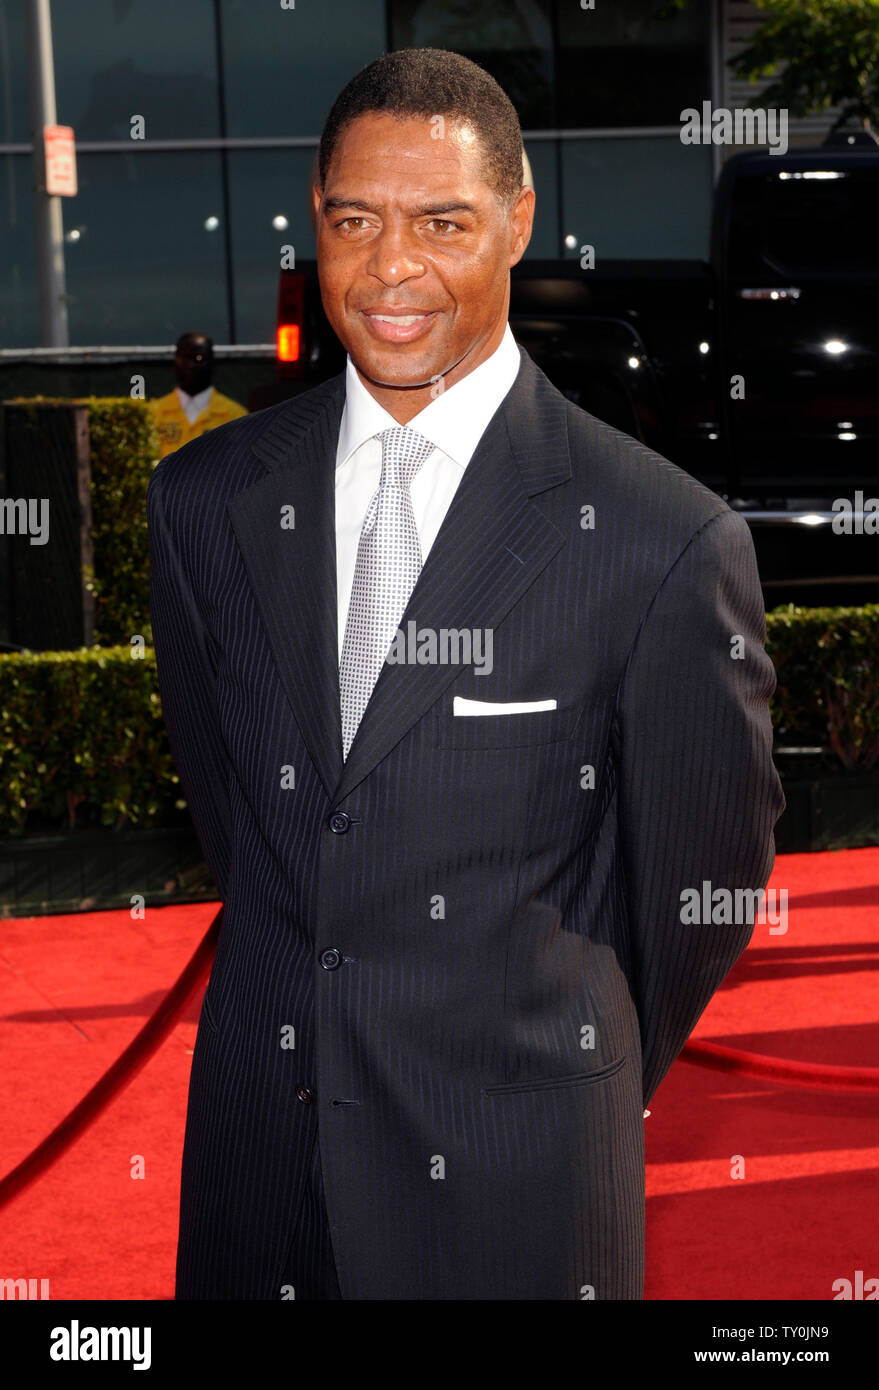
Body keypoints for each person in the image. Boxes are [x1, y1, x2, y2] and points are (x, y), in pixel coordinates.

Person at [147, 48, 785, 1300]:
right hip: (257, 1176)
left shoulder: (661, 535)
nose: (392, 269)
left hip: (515, 1191)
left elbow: (699, 879)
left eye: (443, 223)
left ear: (519, 223)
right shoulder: (205, 502)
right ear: (315, 223)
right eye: (355, 222)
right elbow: (250, 824)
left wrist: (557, 1076)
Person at [151, 332, 246, 459]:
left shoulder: (236, 416)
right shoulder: (153, 413)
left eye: (198, 358)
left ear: (212, 363)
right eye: (185, 358)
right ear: (175, 362)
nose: (191, 365)